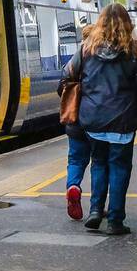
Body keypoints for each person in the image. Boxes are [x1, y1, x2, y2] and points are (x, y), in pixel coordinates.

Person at [61, 3, 137, 235]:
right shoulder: (135, 53)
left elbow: (67, 76)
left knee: (99, 163)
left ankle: (95, 211)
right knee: (119, 167)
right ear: (128, 24)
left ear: (100, 23)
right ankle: (115, 220)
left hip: (93, 120)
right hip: (123, 123)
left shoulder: (86, 49)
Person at [62, 24, 94, 222]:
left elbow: (61, 87)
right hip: (97, 121)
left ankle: (73, 187)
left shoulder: (74, 61)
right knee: (100, 162)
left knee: (75, 159)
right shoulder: (101, 59)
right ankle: (98, 206)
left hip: (74, 120)